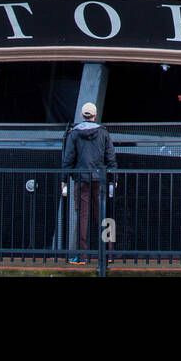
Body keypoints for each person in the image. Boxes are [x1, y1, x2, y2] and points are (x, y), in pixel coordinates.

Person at [61, 102, 116, 265]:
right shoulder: (103, 132)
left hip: (81, 179)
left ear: (81, 115)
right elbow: (111, 157)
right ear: (95, 115)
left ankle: (81, 256)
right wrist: (114, 179)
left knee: (82, 217)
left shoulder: (74, 133)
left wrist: (64, 179)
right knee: (104, 216)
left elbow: (68, 158)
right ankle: (108, 254)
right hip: (100, 179)